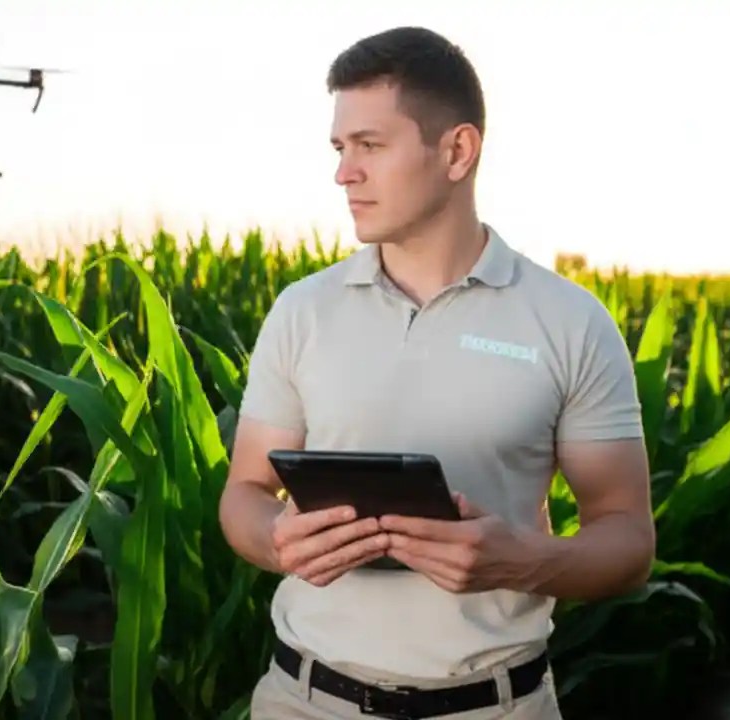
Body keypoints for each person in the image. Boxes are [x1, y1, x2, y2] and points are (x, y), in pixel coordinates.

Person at [218, 25, 655, 720]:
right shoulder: (301, 311)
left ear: (457, 150)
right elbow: (243, 492)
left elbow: (629, 538)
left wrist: (522, 561)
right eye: (339, 148)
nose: (343, 173)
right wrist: (274, 537)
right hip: (303, 701)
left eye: (370, 145)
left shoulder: (571, 322)